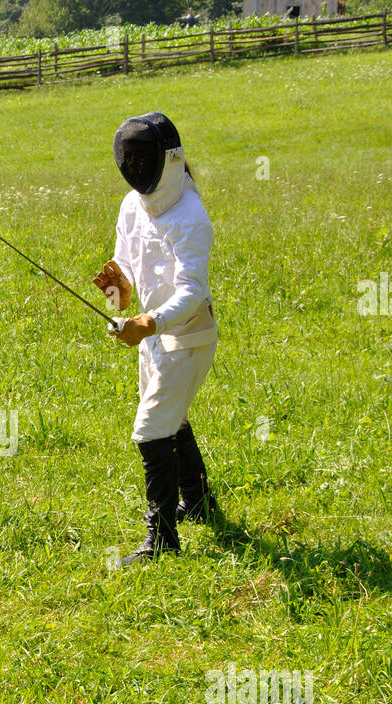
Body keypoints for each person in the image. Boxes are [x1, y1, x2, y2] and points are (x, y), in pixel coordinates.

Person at [93, 113, 219, 566]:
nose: (136, 166)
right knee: (172, 418)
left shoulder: (191, 215)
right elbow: (125, 263)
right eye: (129, 158)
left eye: (143, 157)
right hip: (153, 336)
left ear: (168, 160)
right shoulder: (132, 206)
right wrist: (117, 287)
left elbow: (191, 291)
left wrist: (148, 323)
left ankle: (162, 537)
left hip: (190, 335)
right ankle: (200, 501)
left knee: (151, 429)